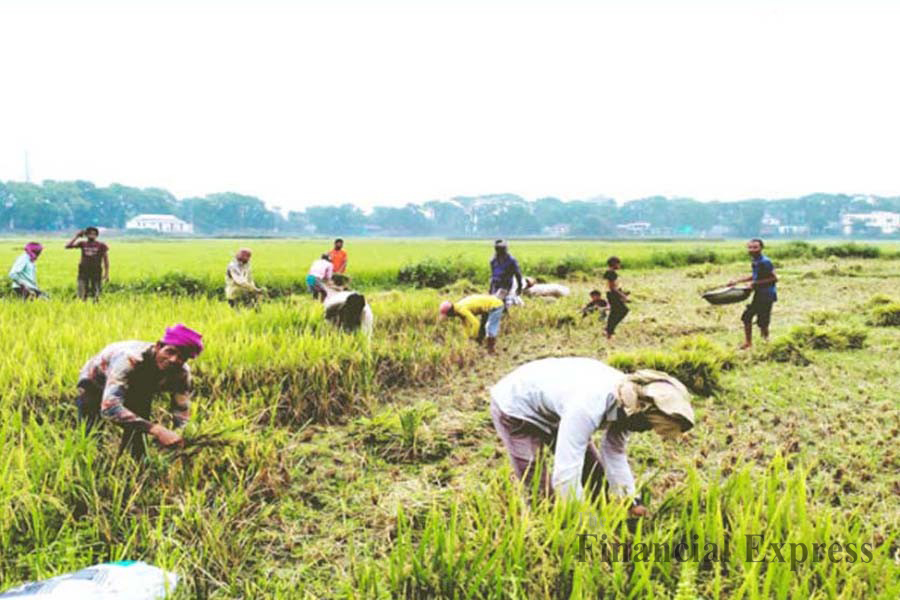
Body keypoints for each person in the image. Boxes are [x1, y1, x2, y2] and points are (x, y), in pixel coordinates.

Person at [489, 358, 695, 515]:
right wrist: (584, 523)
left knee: (595, 473)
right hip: (516, 406)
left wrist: (631, 501)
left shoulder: (631, 404)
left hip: (556, 406)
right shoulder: (589, 405)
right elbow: (566, 472)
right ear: (638, 412)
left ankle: (606, 513)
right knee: (538, 484)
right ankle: (552, 534)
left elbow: (614, 453)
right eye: (647, 425)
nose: (644, 431)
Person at [76, 324, 204, 460]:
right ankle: (93, 464)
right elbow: (109, 408)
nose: (173, 360)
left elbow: (181, 409)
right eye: (170, 352)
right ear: (159, 346)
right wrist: (158, 430)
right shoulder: (130, 360)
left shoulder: (182, 372)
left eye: (181, 357)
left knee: (138, 428)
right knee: (91, 433)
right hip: (95, 383)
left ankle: (138, 465)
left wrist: (182, 436)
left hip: (138, 384)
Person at [728, 238, 778, 349]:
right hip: (759, 294)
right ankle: (750, 343)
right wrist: (737, 281)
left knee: (762, 321)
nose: (752, 250)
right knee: (748, 317)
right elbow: (755, 276)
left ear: (761, 248)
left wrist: (754, 284)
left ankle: (764, 342)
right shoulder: (755, 261)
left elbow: (774, 278)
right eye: (750, 247)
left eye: (755, 247)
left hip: (767, 295)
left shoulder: (765, 262)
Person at [439, 294, 505, 353]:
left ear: (451, 312)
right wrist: (468, 339)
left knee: (489, 327)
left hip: (495, 305)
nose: (449, 317)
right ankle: (480, 345)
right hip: (486, 308)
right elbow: (466, 325)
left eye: (448, 315)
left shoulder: (461, 309)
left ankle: (491, 349)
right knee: (483, 327)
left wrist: (473, 337)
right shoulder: (458, 309)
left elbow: (476, 324)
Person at [65, 227, 109, 301]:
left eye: (94, 234)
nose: (92, 235)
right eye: (90, 234)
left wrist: (106, 273)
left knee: (96, 292)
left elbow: (106, 260)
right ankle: (83, 306)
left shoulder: (101, 245)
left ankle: (96, 307)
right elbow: (68, 246)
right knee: (82, 291)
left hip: (96, 270)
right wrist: (77, 236)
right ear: (86, 235)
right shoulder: (82, 244)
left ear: (97, 235)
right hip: (83, 270)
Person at [489, 240, 524, 305]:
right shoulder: (493, 261)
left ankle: (516, 302)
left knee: (499, 301)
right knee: (494, 300)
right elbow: (492, 275)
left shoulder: (511, 261)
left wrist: (519, 287)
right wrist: (491, 288)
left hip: (506, 285)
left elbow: (518, 274)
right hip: (496, 284)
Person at [603, 256, 629, 340]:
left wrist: (622, 292)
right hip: (613, 295)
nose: (619, 266)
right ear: (614, 264)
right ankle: (609, 329)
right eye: (618, 264)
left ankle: (609, 332)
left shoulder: (609, 272)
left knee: (614, 312)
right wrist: (622, 295)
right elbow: (612, 287)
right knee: (623, 310)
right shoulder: (611, 274)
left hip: (611, 294)